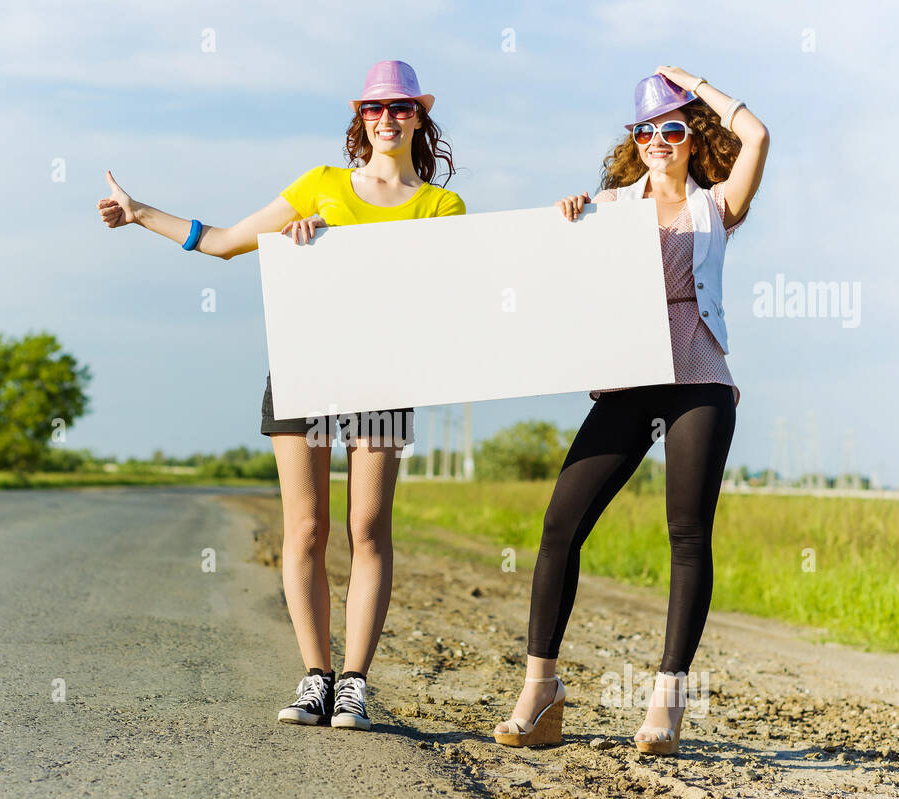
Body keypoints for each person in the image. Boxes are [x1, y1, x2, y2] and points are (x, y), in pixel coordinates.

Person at [98, 60, 465, 731]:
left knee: (368, 530)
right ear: (361, 118)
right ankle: (315, 678)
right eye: (375, 109)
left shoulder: (442, 206)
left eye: (401, 108)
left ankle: (355, 682)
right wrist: (139, 212)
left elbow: (444, 295)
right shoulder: (319, 187)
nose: (388, 119)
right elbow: (225, 242)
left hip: (384, 375)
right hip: (306, 367)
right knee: (305, 529)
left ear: (419, 116)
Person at [492, 66, 769, 754]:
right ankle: (541, 688)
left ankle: (667, 699)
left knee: (687, 534)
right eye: (645, 130)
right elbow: (560, 281)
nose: (657, 140)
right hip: (630, 381)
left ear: (693, 138)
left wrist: (695, 83)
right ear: (635, 140)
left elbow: (757, 133)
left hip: (698, 376)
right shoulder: (609, 207)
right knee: (561, 521)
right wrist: (568, 223)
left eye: (671, 129)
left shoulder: (717, 207)